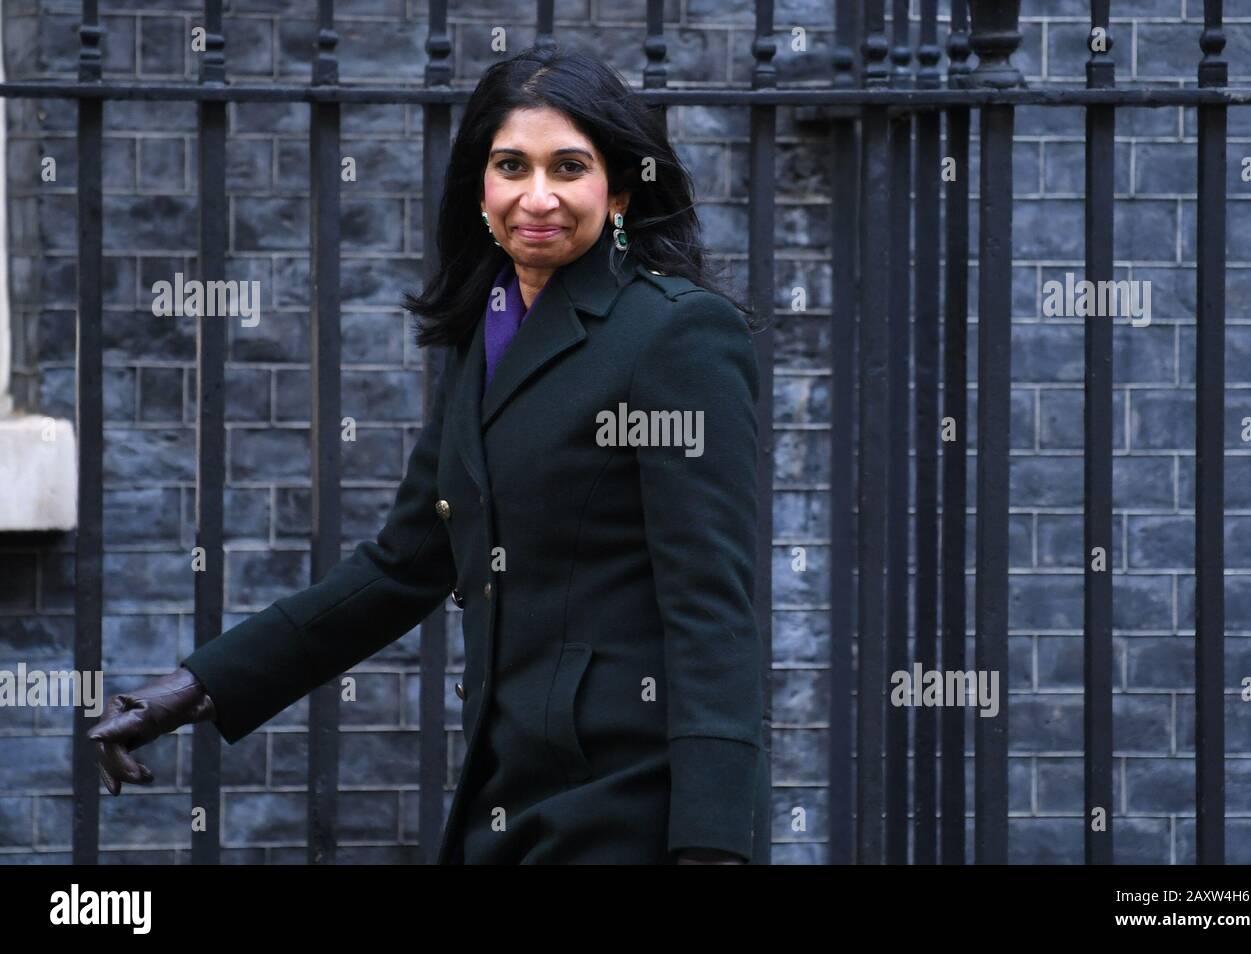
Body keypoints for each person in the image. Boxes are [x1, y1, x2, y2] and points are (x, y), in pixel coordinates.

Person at [90, 44, 769, 865]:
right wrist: (193, 689)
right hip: (504, 789)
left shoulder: (675, 334)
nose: (537, 196)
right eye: (511, 165)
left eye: (570, 166)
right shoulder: (480, 341)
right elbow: (404, 563)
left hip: (627, 803)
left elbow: (712, 606)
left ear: (619, 190)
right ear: (480, 187)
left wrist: (713, 846)